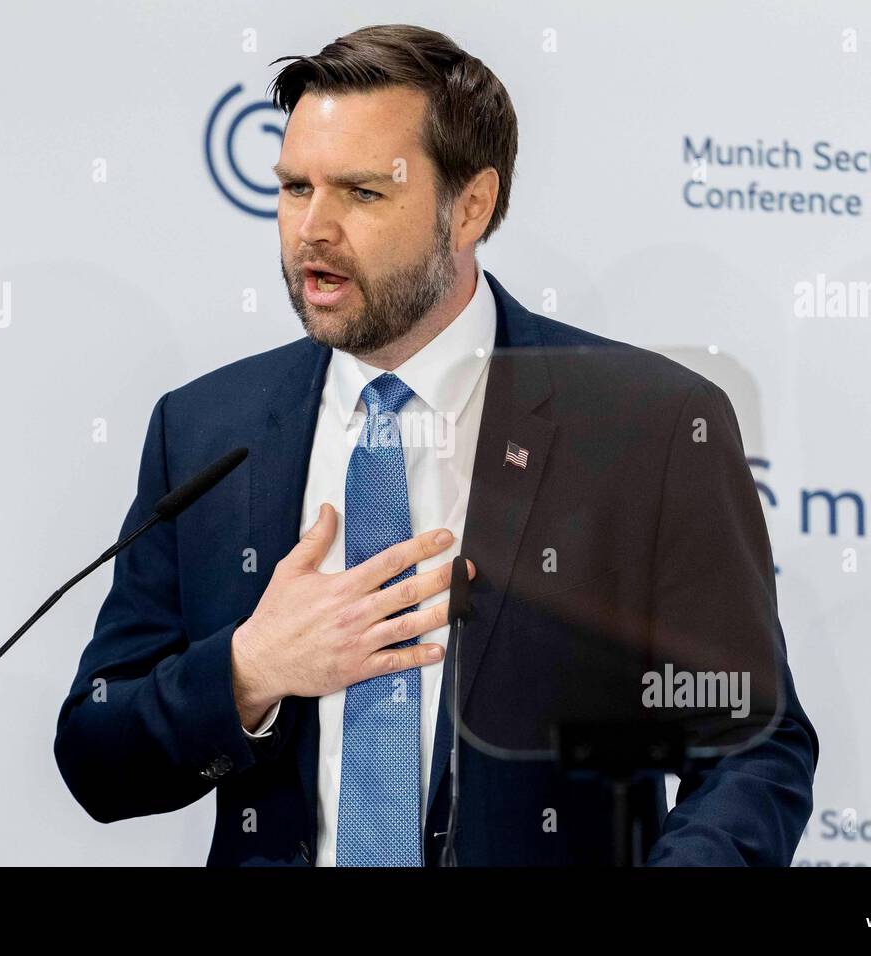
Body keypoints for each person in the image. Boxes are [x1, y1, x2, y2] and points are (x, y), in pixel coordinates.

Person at [54, 23, 817, 866]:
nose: (313, 229)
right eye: (295, 187)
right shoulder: (204, 430)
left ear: (472, 207)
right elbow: (97, 757)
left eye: (363, 193)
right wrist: (247, 671)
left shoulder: (648, 429)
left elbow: (753, 748)